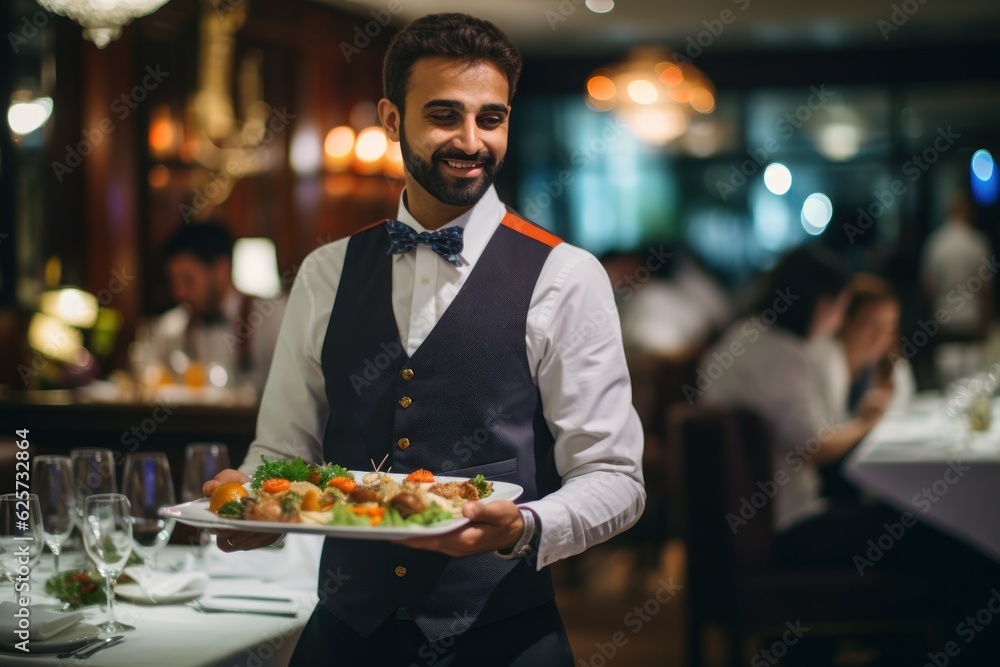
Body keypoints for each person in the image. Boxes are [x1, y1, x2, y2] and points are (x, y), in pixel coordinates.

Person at [204, 13, 645, 665]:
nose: (470, 140)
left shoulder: (565, 275)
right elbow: (283, 447)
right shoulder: (326, 273)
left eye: (490, 118)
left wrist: (525, 524)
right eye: (444, 115)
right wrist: (249, 507)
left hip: (502, 636)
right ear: (390, 120)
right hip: (347, 636)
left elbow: (616, 476)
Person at [697, 246, 890, 536]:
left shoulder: (742, 335)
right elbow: (815, 446)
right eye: (840, 308)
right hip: (787, 523)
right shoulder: (783, 354)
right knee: (905, 524)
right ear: (823, 304)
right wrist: (867, 422)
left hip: (741, 519)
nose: (838, 322)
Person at [149, 221, 285, 398]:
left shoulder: (272, 319)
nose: (179, 292)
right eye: (173, 282)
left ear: (221, 268)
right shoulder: (171, 328)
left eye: (188, 280)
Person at [920, 192, 994, 385]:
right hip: (971, 318)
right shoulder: (977, 242)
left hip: (944, 317)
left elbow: (928, 285)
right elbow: (984, 288)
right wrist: (986, 321)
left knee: (947, 381)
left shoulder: (935, 243)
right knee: (974, 381)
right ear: (969, 213)